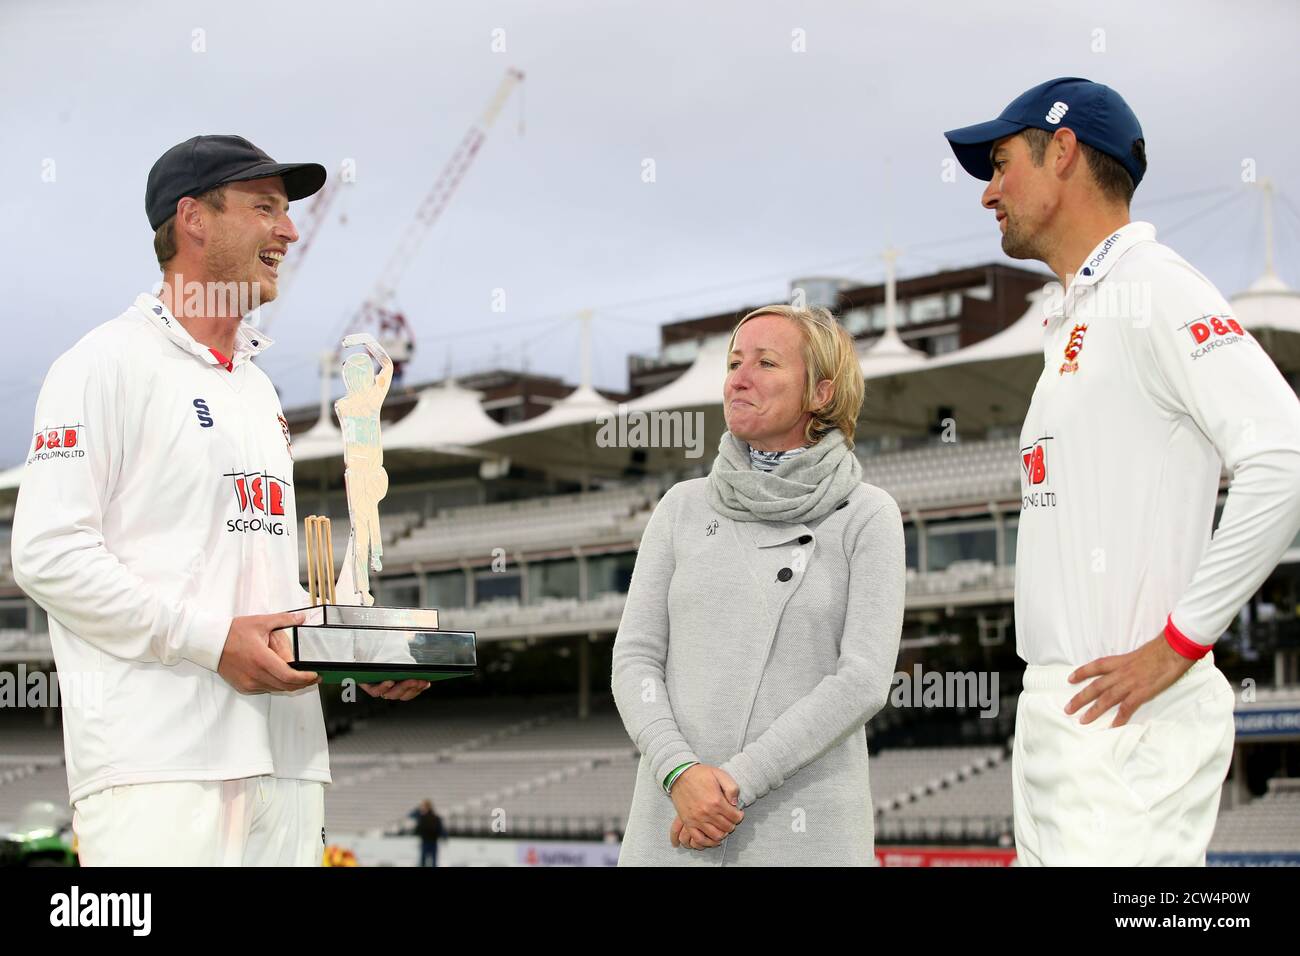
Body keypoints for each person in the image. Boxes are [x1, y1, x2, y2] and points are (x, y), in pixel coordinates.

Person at [11, 135, 428, 866]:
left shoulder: (257, 390)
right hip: (160, 769)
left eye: (288, 213)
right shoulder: (101, 364)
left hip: (289, 764)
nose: (290, 231)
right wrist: (210, 642)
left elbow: (258, 594)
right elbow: (48, 555)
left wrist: (351, 648)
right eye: (265, 208)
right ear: (194, 219)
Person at [944, 78, 1300, 865]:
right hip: (1065, 713)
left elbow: (1286, 458)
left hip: (1124, 722)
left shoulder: (1153, 286)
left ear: (1062, 150)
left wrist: (1180, 642)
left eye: (1000, 165)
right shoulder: (1078, 311)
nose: (988, 193)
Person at [612, 305, 904, 866]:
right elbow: (636, 660)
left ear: (821, 393)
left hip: (803, 832)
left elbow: (863, 680)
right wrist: (680, 773)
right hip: (673, 824)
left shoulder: (868, 515)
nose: (738, 377)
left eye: (766, 362)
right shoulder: (681, 507)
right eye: (734, 362)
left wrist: (730, 785)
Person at [412, 799, 446, 867]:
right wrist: (444, 837)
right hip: (431, 842)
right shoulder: (435, 817)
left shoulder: (422, 817)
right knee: (432, 862)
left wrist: (418, 810)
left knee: (423, 862)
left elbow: (416, 829)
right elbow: (441, 830)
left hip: (427, 842)